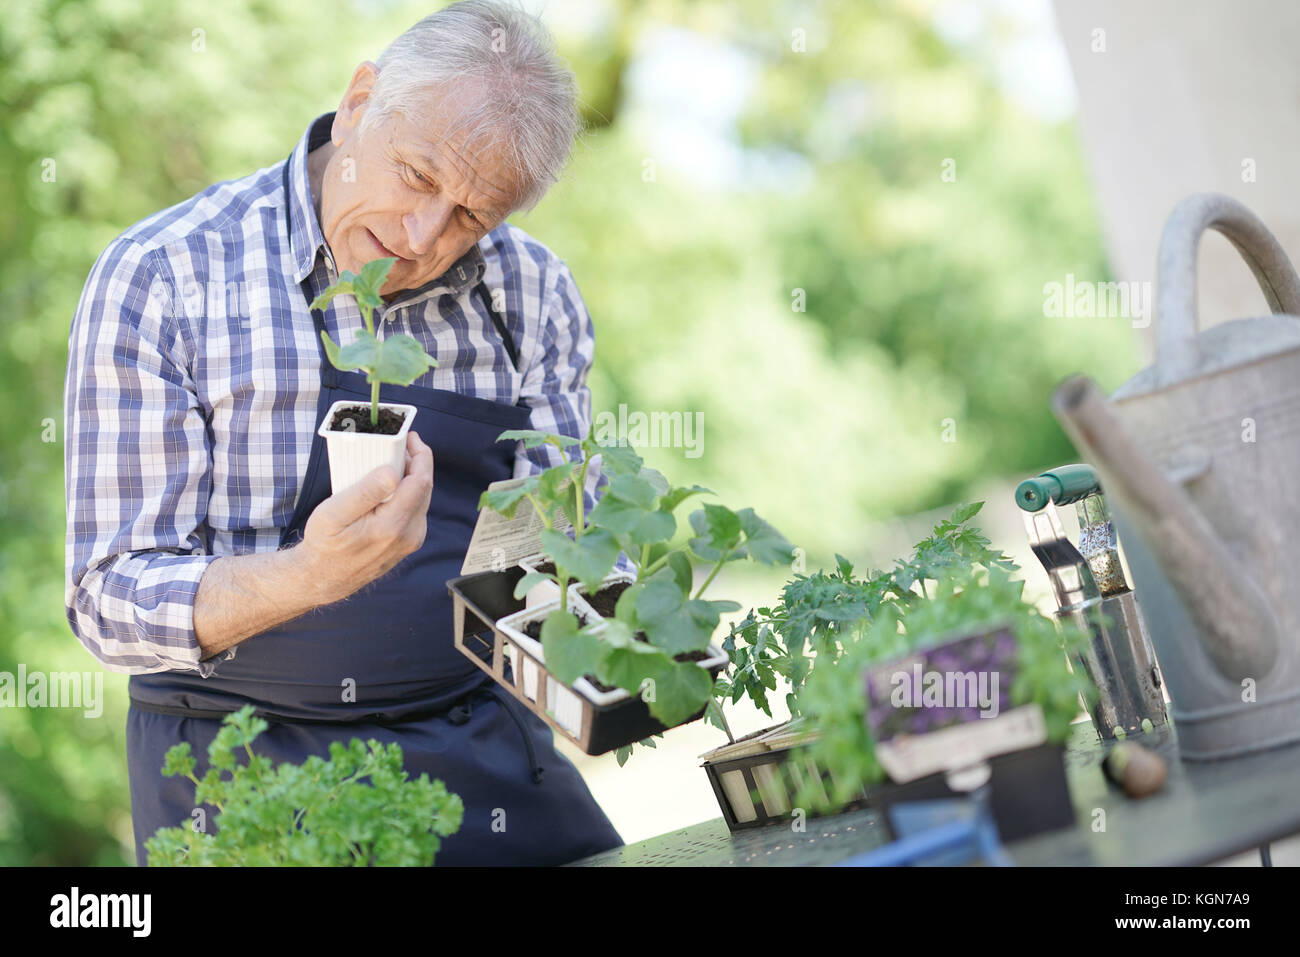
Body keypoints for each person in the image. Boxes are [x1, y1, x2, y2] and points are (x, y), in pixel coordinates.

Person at [64, 0, 623, 866]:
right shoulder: (166, 275)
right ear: (361, 99)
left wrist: (636, 646)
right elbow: (106, 596)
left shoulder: (531, 295)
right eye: (417, 176)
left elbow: (543, 564)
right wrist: (305, 576)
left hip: (471, 746)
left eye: (474, 216)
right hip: (235, 772)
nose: (422, 237)